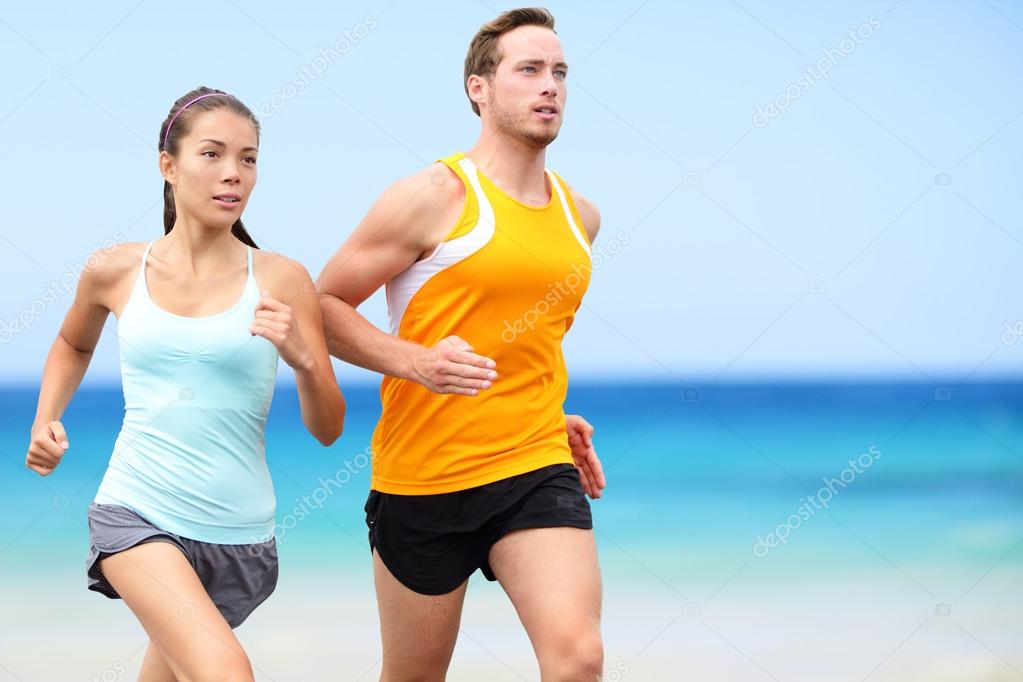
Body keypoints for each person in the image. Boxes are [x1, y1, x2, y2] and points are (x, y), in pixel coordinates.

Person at [315, 8, 606, 680]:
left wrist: (541, 412)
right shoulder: (432, 195)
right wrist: (413, 361)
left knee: (578, 658)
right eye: (529, 69)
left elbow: (528, 336)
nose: (550, 86)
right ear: (480, 87)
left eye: (559, 72)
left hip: (534, 464)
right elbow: (323, 306)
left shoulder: (579, 215)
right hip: (423, 478)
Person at [25, 86, 345, 681]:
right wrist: (47, 416)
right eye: (213, 154)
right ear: (168, 165)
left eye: (248, 159)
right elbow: (73, 343)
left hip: (242, 539)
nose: (234, 174)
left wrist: (302, 358)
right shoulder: (115, 269)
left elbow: (328, 430)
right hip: (137, 511)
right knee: (227, 672)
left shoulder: (282, 278)